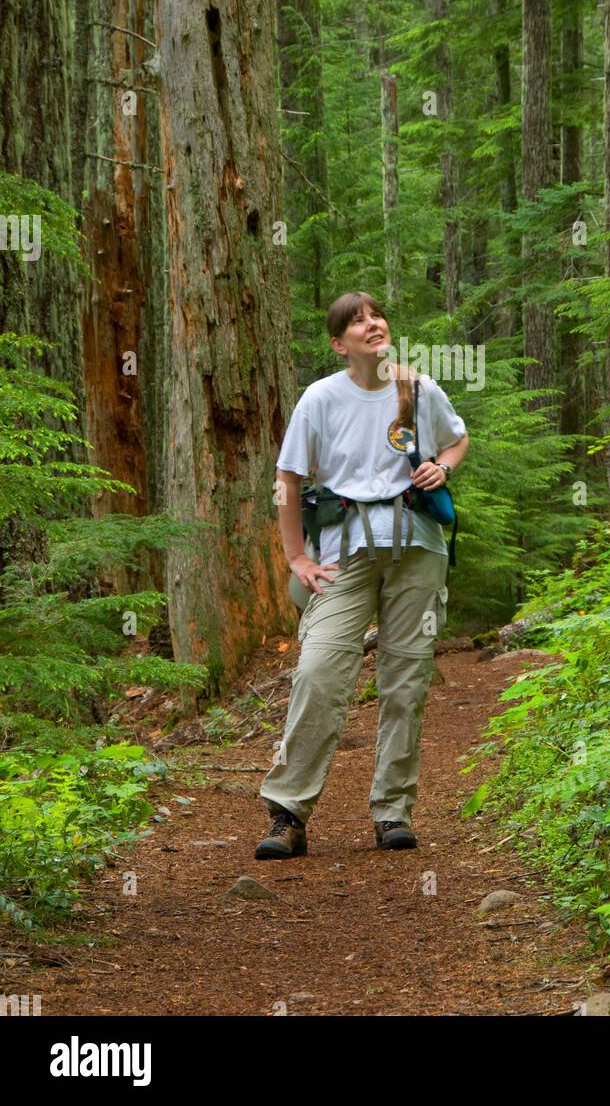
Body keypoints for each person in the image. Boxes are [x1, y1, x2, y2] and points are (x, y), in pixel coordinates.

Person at [255, 291, 470, 857]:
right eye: (356, 323)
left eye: (376, 317)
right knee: (319, 672)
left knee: (406, 679)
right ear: (338, 343)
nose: (371, 325)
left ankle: (392, 811)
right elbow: (287, 479)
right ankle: (288, 813)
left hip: (417, 548)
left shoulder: (418, 389)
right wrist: (296, 557)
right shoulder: (320, 398)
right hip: (342, 552)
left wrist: (440, 468)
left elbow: (456, 439)